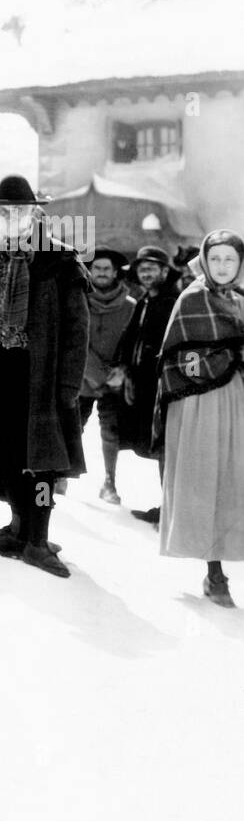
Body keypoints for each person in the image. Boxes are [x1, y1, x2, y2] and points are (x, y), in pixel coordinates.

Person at [0, 175, 88, 579]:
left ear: (35, 214)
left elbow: (77, 329)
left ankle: (38, 539)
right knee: (7, 454)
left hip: (42, 376)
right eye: (5, 210)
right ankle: (18, 528)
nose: (12, 216)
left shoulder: (59, 261)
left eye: (20, 210)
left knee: (43, 462)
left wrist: (68, 385)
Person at [153, 229, 244, 606]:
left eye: (231, 260)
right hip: (199, 402)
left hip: (238, 399)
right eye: (217, 258)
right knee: (206, 481)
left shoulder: (241, 302)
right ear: (206, 261)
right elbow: (175, 361)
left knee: (235, 482)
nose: (223, 267)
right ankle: (214, 571)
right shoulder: (191, 300)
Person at [114, 246, 179, 525]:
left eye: (153, 267)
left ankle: (174, 511)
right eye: (142, 269)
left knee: (170, 447)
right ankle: (168, 507)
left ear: (165, 271)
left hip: (166, 387)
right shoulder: (144, 302)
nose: (147, 273)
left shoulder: (174, 302)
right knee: (159, 447)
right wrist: (127, 372)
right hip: (143, 385)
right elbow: (132, 340)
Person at [78, 249, 135, 505]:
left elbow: (134, 343)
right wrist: (97, 374)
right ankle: (59, 477)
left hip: (114, 382)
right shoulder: (78, 299)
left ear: (115, 273)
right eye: (97, 268)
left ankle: (109, 481)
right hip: (81, 377)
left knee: (111, 432)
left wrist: (122, 370)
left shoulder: (130, 306)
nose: (101, 273)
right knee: (73, 426)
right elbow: (75, 340)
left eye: (106, 269)